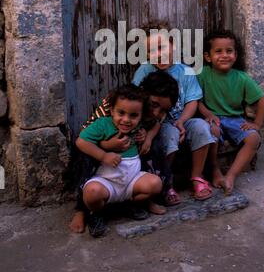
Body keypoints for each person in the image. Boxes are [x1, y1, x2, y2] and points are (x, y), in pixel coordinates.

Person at [133, 23, 216, 206]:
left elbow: (192, 101)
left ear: (174, 45)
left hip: (182, 119)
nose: (158, 53)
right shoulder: (144, 71)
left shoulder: (185, 70)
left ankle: (196, 177)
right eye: (151, 50)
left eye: (162, 47)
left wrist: (182, 121)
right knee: (169, 134)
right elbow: (136, 100)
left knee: (202, 127)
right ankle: (166, 181)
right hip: (159, 124)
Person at [76, 84, 162, 237]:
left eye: (133, 115)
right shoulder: (103, 124)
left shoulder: (139, 126)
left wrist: (147, 137)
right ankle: (95, 213)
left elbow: (156, 123)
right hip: (106, 182)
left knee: (155, 184)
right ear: (111, 110)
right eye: (121, 113)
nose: (126, 120)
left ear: (141, 115)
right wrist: (104, 155)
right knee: (91, 193)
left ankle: (129, 204)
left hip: (131, 182)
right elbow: (81, 142)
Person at [197, 30, 264, 195]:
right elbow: (197, 101)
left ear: (235, 55)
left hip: (235, 119)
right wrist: (208, 115)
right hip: (213, 118)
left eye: (229, 51)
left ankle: (231, 176)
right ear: (208, 57)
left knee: (253, 138)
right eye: (218, 51)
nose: (224, 55)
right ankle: (214, 170)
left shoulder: (241, 77)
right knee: (211, 132)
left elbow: (263, 101)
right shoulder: (203, 74)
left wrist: (257, 124)